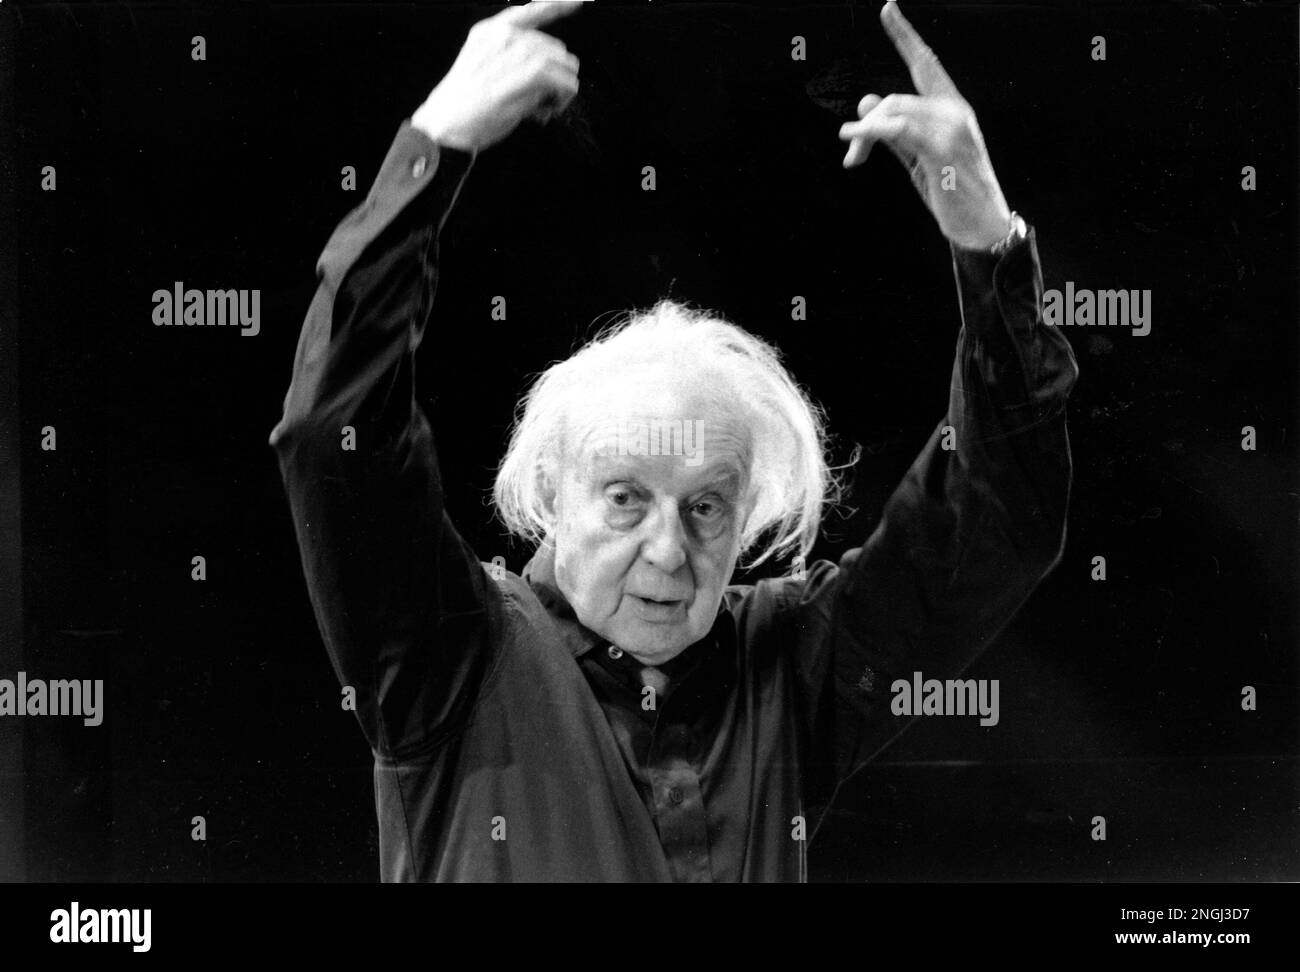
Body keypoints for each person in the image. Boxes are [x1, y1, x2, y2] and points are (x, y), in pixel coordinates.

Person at [270, 0, 1079, 882]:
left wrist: (989, 240)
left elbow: (1000, 525)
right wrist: (434, 146)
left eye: (705, 506)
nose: (667, 551)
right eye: (625, 497)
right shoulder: (448, 654)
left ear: (750, 515)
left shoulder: (796, 663)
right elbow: (333, 435)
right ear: (551, 493)